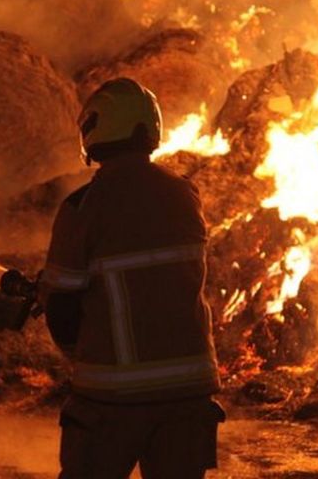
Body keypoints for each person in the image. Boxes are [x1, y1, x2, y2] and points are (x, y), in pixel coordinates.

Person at [24, 77, 224, 478]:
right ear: (149, 129)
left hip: (112, 399)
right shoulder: (184, 194)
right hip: (189, 393)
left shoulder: (84, 206)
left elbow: (63, 306)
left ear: (94, 130)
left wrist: (78, 348)